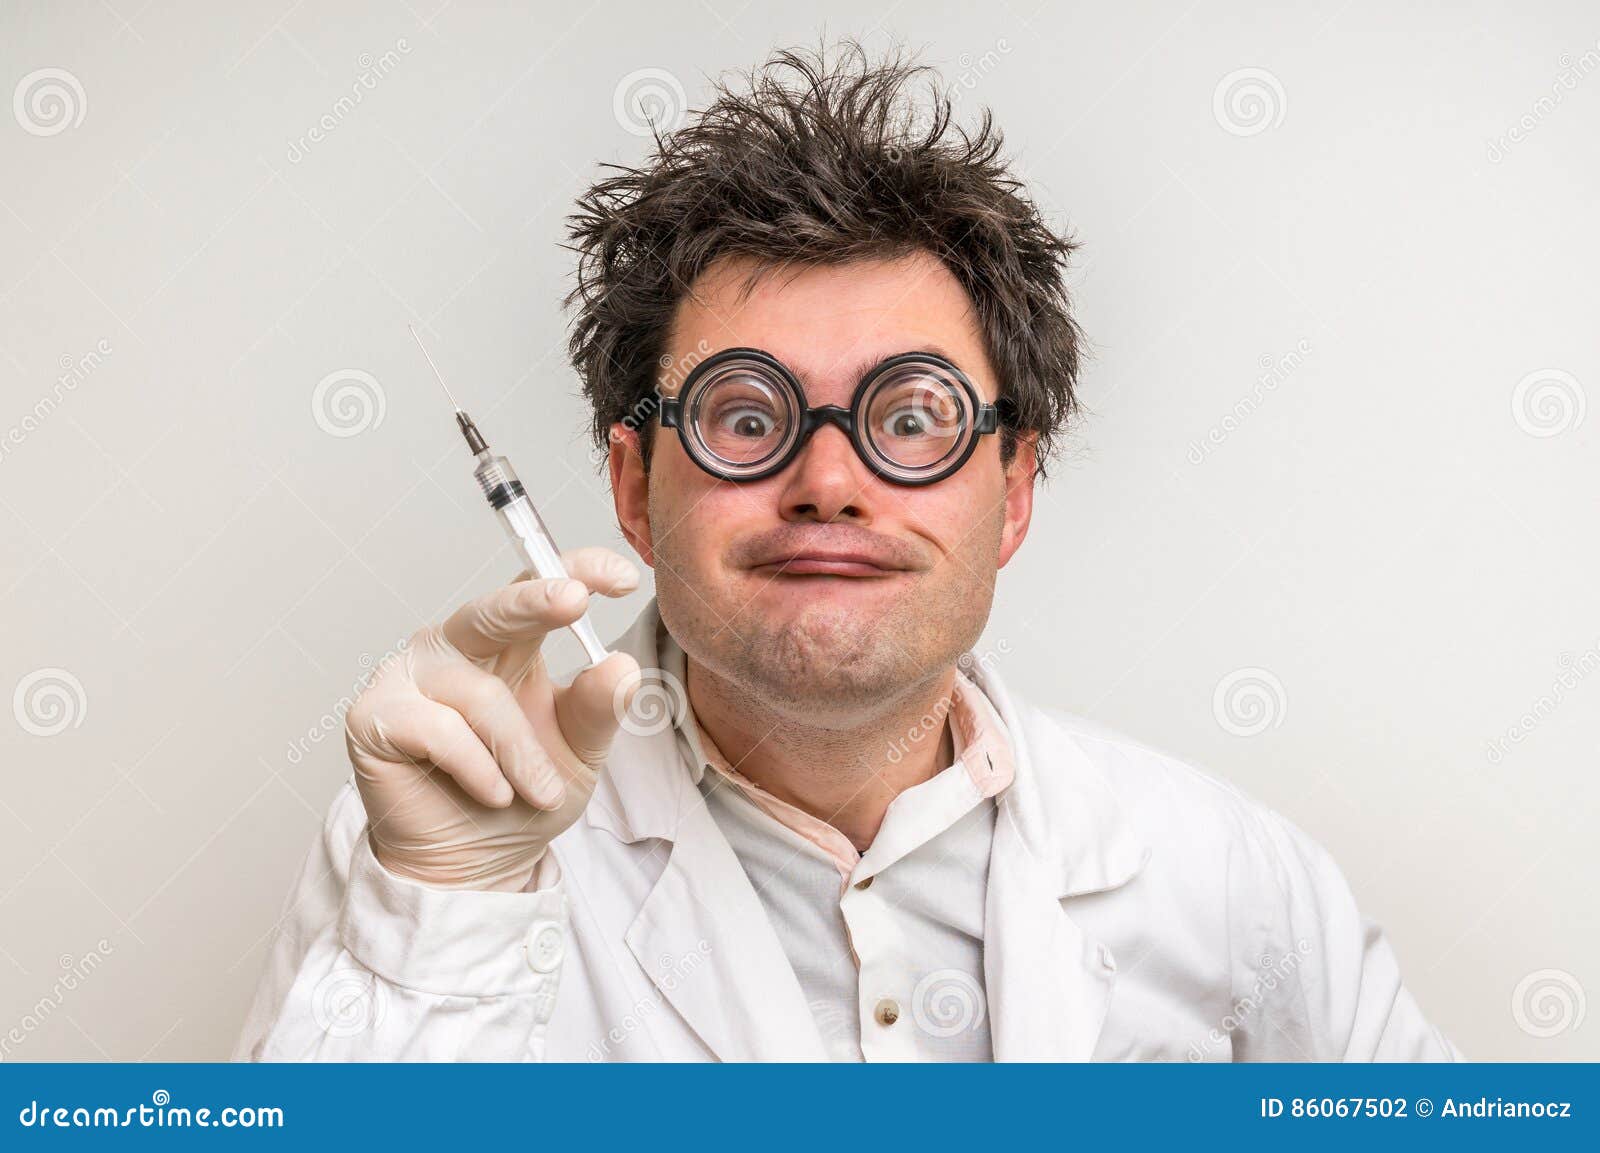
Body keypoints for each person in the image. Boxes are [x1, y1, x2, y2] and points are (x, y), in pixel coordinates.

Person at [236, 42, 1461, 1062]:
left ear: (1011, 492)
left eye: (911, 418)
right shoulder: (438, 851)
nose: (827, 482)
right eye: (746, 417)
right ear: (634, 487)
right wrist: (442, 928)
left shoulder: (1226, 877)